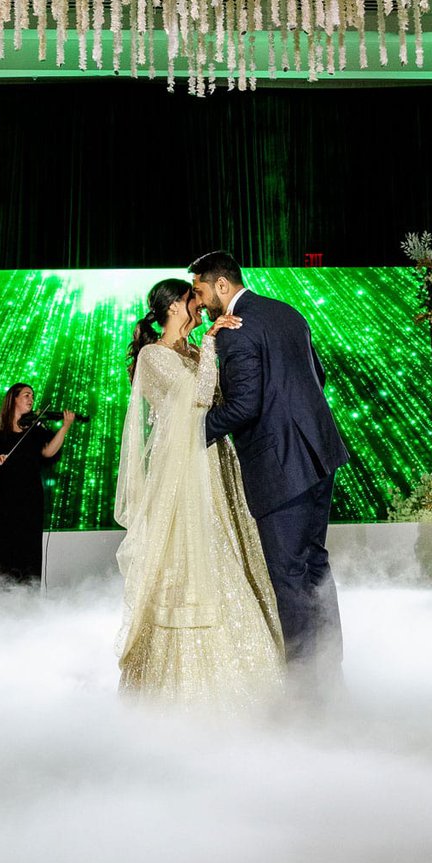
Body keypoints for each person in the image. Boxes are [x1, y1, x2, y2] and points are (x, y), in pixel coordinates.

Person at [115, 278, 284, 702]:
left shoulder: (190, 352)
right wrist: (210, 343)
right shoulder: (154, 356)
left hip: (213, 459)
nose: (201, 306)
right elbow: (196, 398)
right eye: (194, 299)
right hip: (183, 473)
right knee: (192, 557)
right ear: (174, 307)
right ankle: (183, 683)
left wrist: (209, 349)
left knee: (230, 546)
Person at [189, 250, 349, 674]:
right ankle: (330, 675)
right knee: (315, 566)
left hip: (279, 465)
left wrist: (190, 433)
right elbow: (319, 375)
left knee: (290, 576)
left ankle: (305, 694)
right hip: (319, 456)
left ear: (222, 285)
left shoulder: (235, 330)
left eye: (201, 292)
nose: (201, 303)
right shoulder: (287, 312)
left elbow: (244, 406)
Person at [0, 387, 77, 584]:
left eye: (33, 396)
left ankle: (25, 598)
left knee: (26, 544)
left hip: (29, 494)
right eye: (26, 395)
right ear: (13, 399)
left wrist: (65, 427)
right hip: (1, 495)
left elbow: (48, 452)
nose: (31, 399)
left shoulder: (35, 430)